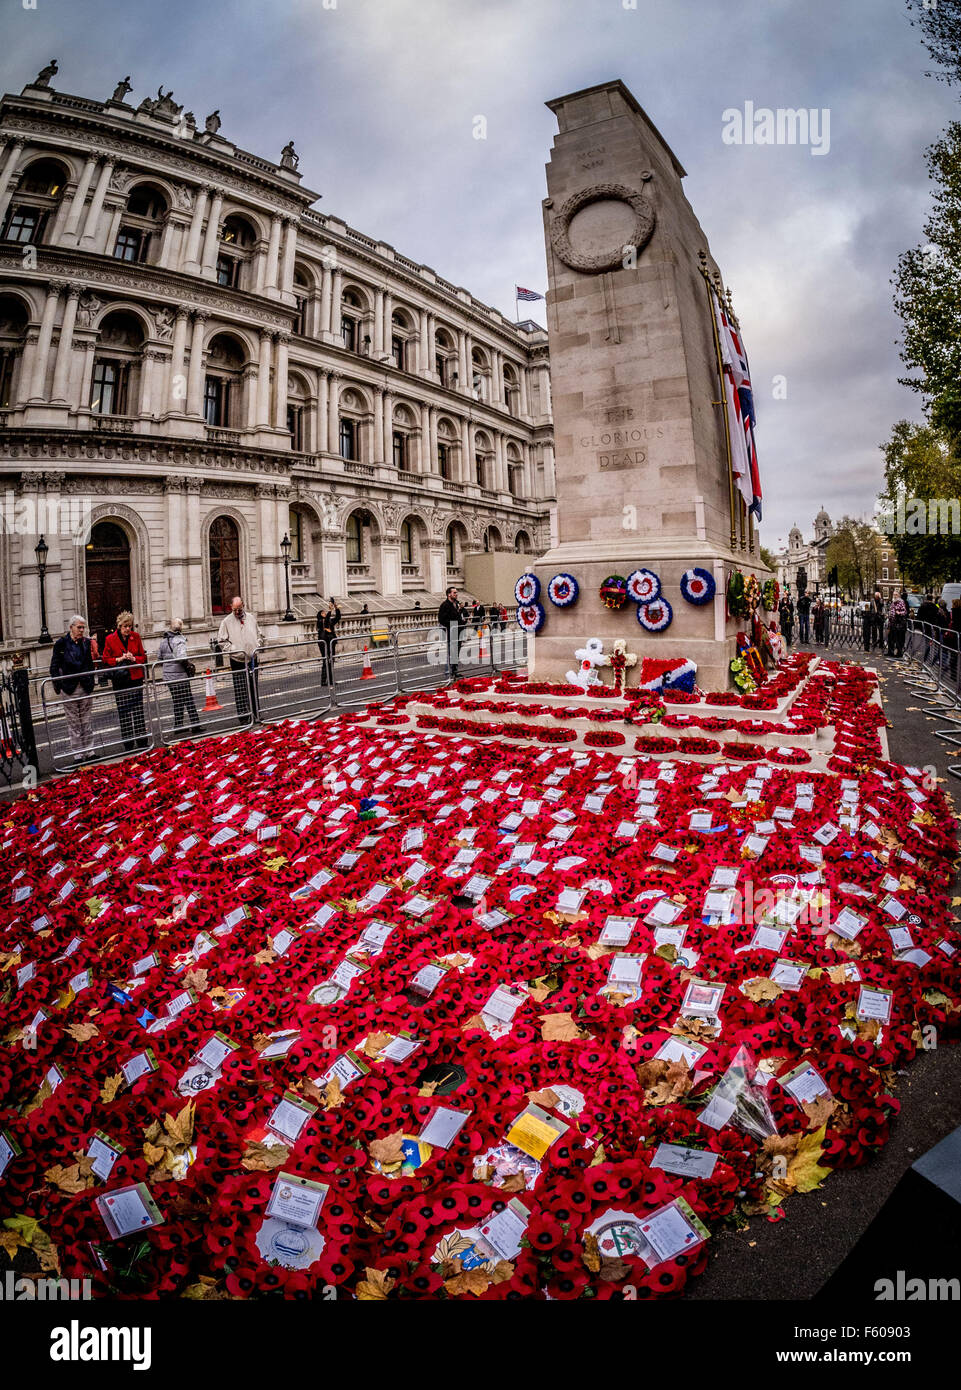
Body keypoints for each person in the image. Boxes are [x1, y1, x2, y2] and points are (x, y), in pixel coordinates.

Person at [49, 615, 97, 763]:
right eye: (79, 627)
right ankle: (78, 754)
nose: (82, 630)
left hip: (85, 687)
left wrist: (91, 682)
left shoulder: (86, 642)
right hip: (69, 688)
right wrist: (59, 686)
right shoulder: (61, 644)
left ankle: (89, 752)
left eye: (83, 627)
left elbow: (89, 664)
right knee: (74, 723)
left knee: (86, 721)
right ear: (71, 627)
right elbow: (54, 666)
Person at [102, 610, 149, 753]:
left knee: (138, 710)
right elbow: (105, 659)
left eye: (129, 626)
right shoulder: (110, 639)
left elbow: (143, 657)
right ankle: (128, 743)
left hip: (135, 678)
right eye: (125, 626)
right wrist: (119, 659)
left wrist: (134, 659)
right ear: (119, 626)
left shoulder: (136, 637)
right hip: (120, 680)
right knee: (124, 712)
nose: (128, 629)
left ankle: (142, 740)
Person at [217, 596, 261, 720]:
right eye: (235, 610)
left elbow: (259, 633)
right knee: (240, 689)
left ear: (243, 606)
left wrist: (258, 644)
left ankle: (256, 714)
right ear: (231, 607)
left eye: (239, 609)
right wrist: (234, 649)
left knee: (253, 687)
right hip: (237, 660)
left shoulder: (251, 618)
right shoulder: (226, 621)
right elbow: (221, 640)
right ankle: (243, 717)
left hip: (252, 658)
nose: (237, 612)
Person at [157, 618, 202, 736]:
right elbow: (182, 657)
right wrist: (189, 666)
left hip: (169, 676)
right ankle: (195, 725)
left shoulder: (163, 641)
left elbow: (159, 658)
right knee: (189, 700)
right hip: (180, 676)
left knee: (177, 701)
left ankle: (178, 725)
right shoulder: (179, 640)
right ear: (180, 627)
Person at [437, 585, 464, 680]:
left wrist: (462, 622)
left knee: (456, 653)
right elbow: (442, 619)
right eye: (454, 593)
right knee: (451, 652)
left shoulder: (456, 604)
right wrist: (453, 624)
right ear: (449, 594)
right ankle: (449, 672)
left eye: (456, 592)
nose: (456, 594)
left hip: (458, 631)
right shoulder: (445, 605)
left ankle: (455, 671)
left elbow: (457, 617)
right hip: (451, 631)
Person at [917, 592, 939, 661]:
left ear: (926, 598)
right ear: (932, 599)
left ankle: (925, 656)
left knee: (925, 641)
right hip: (931, 626)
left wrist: (918, 626)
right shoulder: (935, 607)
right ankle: (927, 656)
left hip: (924, 626)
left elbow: (919, 616)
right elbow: (936, 617)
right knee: (929, 641)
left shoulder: (922, 606)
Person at [886, 590, 908, 659]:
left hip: (898, 624)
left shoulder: (901, 602)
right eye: (893, 594)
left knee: (898, 639)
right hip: (892, 624)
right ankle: (890, 652)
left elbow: (905, 612)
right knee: (890, 639)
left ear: (898, 596)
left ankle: (899, 653)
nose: (894, 596)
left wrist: (899, 613)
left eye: (896, 595)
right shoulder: (893, 603)